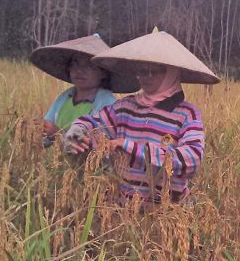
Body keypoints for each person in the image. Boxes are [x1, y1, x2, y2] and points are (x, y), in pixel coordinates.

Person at [62, 29, 218, 205]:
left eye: (156, 70)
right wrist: (78, 131)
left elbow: (192, 160)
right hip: (124, 210)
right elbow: (94, 123)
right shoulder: (125, 107)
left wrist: (132, 148)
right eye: (142, 70)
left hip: (167, 215)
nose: (147, 77)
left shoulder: (186, 114)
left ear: (172, 73)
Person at [30, 35, 137, 147]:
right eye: (75, 64)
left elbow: (99, 143)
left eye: (89, 65)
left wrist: (58, 133)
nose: (80, 70)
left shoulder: (107, 103)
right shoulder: (66, 97)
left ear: (103, 72)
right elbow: (48, 126)